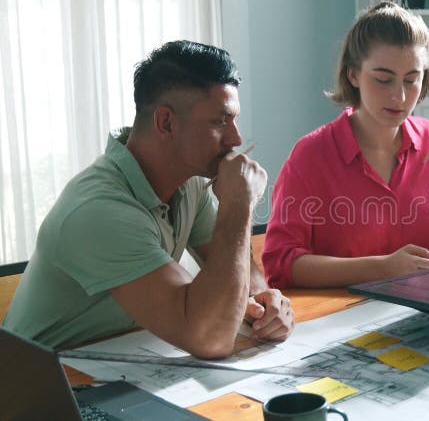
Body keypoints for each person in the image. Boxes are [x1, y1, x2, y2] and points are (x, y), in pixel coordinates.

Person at [2, 41, 294, 358]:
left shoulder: (191, 184)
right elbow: (209, 337)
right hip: (43, 393)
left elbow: (234, 270)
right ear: (165, 122)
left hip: (120, 368)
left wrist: (266, 299)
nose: (236, 139)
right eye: (220, 121)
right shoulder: (99, 212)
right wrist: (238, 206)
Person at [261, 1, 429, 288]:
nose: (399, 96)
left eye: (412, 80)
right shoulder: (311, 155)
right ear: (353, 75)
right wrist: (382, 268)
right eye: (383, 79)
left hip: (413, 312)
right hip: (335, 317)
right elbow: (281, 264)